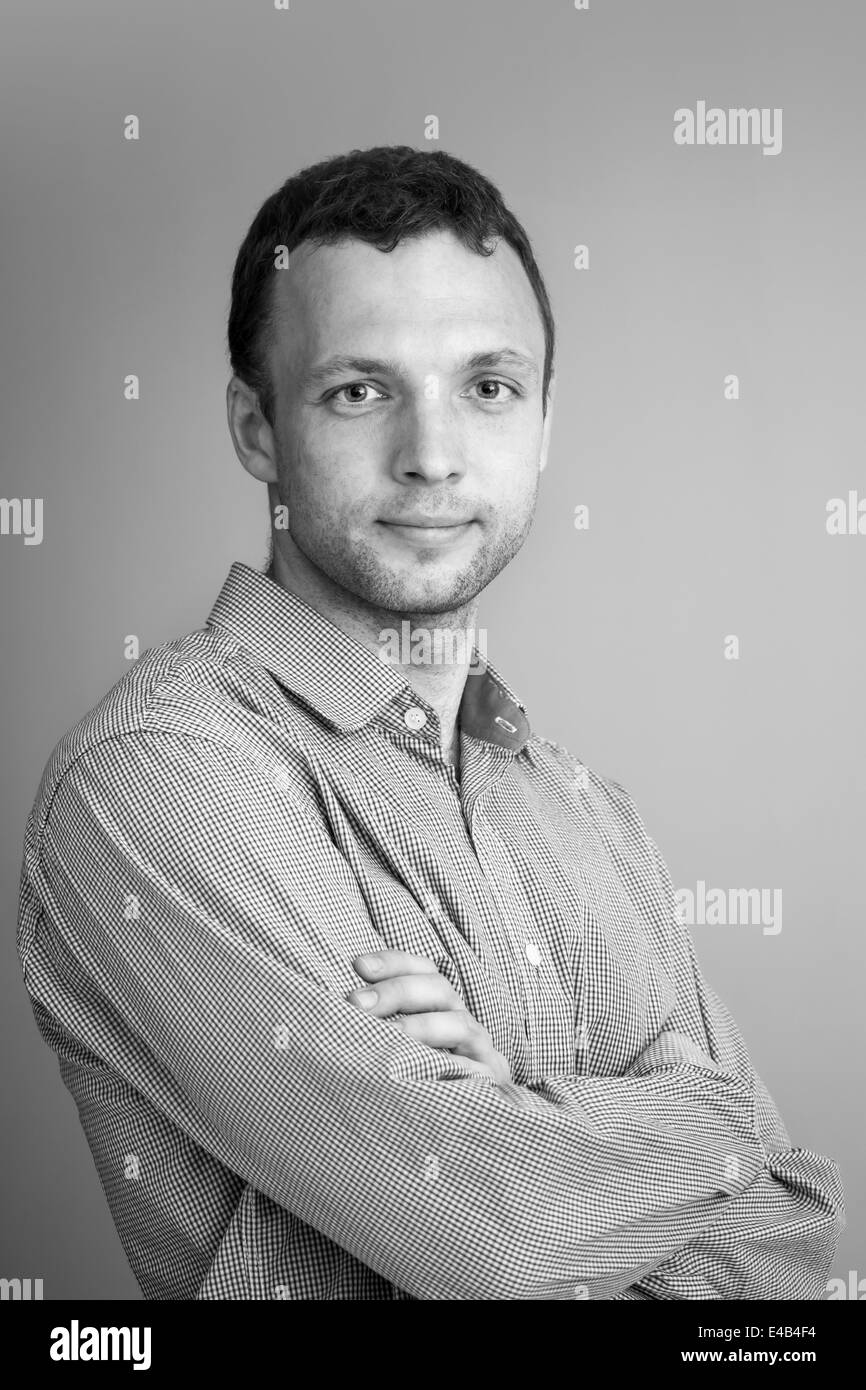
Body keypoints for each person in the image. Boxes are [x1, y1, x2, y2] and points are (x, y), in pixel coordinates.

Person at [17, 145, 844, 1300]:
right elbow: (499, 1250)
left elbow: (798, 1248)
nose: (432, 457)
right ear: (255, 427)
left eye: (487, 386)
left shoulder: (586, 813)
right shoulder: (159, 775)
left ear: (545, 420)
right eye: (359, 391)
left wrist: (512, 1111)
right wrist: (693, 1119)